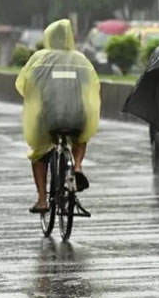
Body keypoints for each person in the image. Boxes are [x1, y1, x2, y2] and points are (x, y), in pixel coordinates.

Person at [15, 19, 100, 214]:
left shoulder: (39, 60)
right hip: (77, 117)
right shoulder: (81, 61)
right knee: (81, 137)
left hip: (48, 118)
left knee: (38, 153)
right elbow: (93, 87)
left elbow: (24, 86)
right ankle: (77, 167)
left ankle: (42, 200)